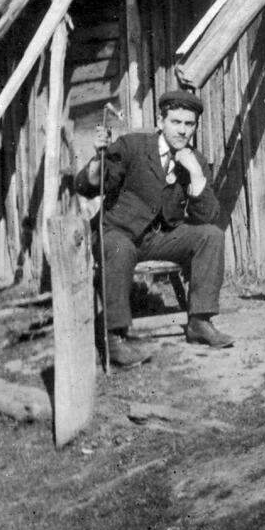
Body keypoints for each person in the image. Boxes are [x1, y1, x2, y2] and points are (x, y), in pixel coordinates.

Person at [79, 89, 234, 367]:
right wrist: (97, 159)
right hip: (118, 232)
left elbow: (208, 216)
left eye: (189, 124)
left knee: (211, 235)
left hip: (159, 237)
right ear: (161, 121)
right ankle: (114, 338)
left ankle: (200, 321)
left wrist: (196, 174)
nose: (183, 130)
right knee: (118, 247)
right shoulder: (132, 146)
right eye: (176, 122)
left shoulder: (193, 159)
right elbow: (89, 185)